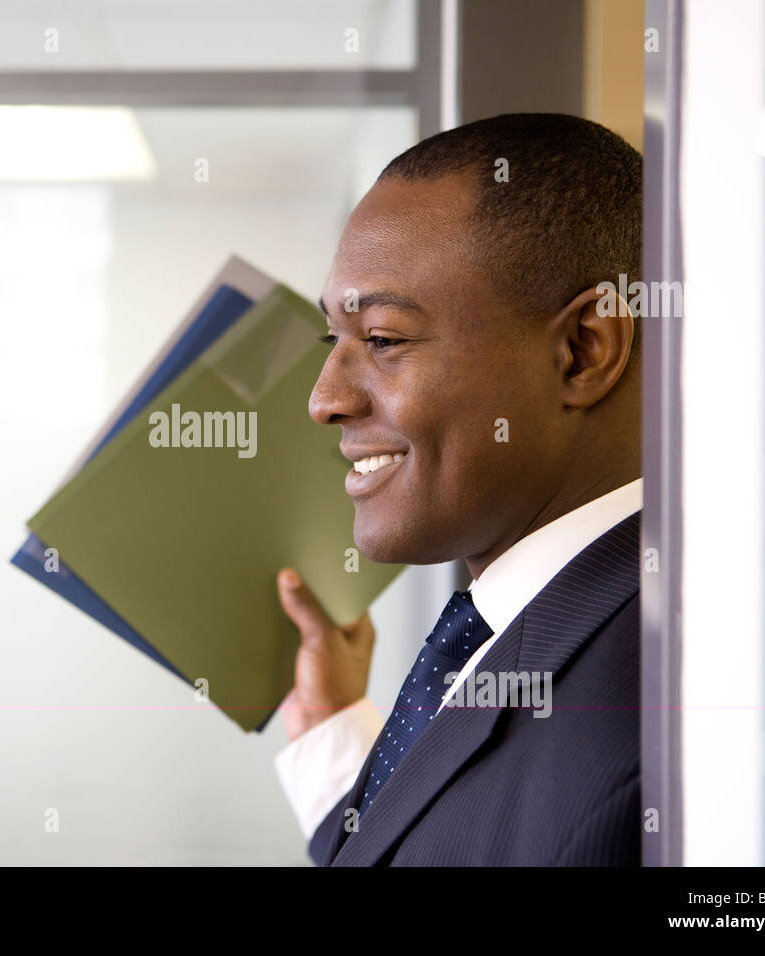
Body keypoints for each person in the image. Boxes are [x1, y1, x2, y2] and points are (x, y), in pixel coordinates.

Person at [274, 113, 644, 866]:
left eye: (381, 340)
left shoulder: (652, 731)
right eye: (331, 341)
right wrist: (333, 727)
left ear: (582, 352)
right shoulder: (521, 623)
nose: (324, 399)